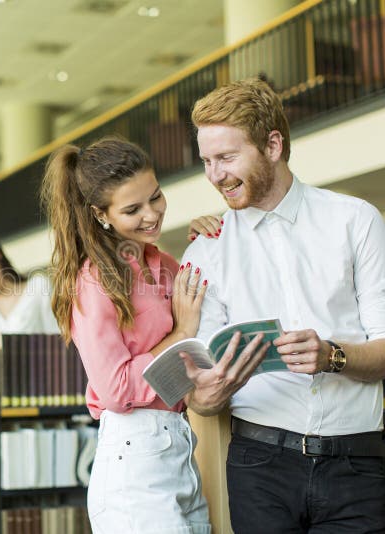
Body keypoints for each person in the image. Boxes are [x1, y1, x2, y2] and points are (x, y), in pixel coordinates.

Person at [181, 78, 385, 533]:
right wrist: (206, 395)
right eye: (207, 161)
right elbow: (200, 395)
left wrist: (332, 356)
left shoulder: (354, 220)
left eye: (226, 157)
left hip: (355, 465)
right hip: (258, 466)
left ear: (272, 145)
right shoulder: (207, 250)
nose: (214, 175)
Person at [41, 136, 267, 534]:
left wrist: (207, 244)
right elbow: (114, 389)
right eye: (132, 209)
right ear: (101, 214)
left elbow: (206, 316)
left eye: (156, 197)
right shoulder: (92, 283)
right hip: (133, 463)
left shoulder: (163, 263)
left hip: (181, 447)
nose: (152, 214)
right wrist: (181, 333)